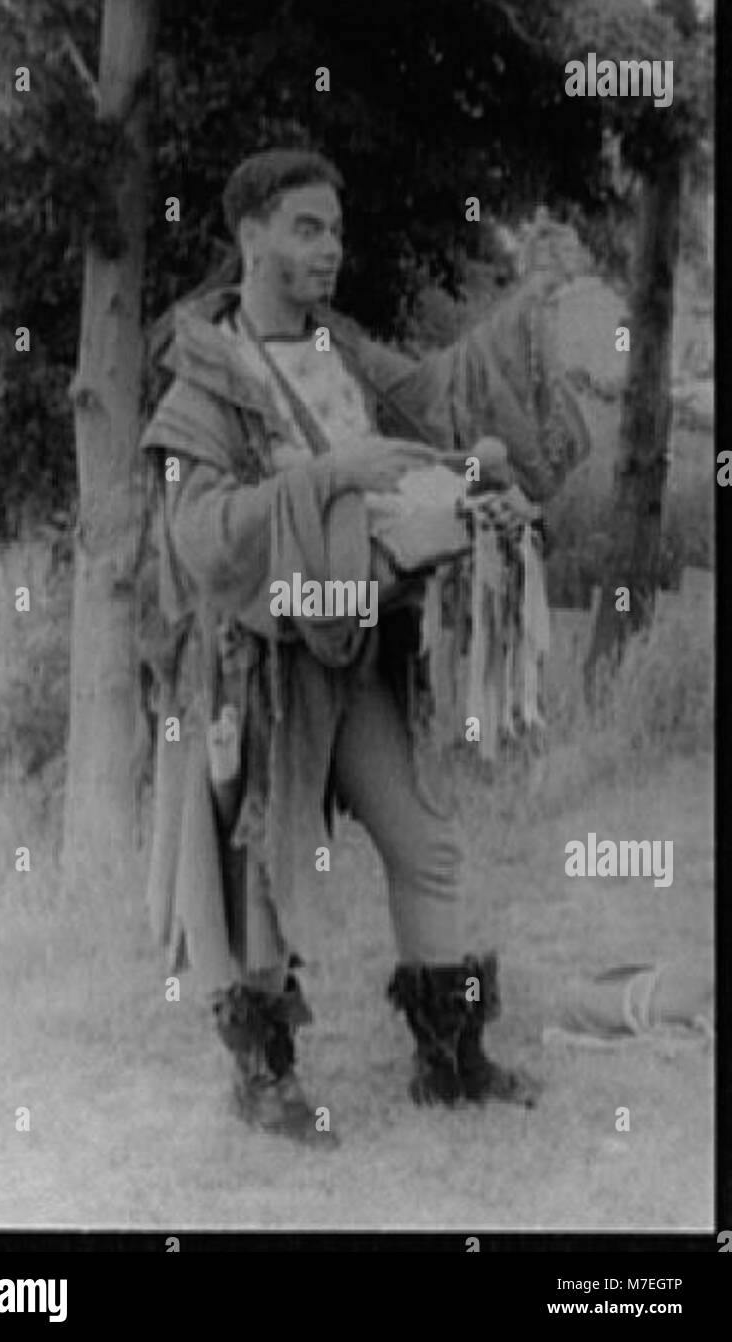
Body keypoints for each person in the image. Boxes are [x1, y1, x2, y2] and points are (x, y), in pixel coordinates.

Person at [140, 148, 590, 1145]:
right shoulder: (199, 388)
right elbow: (198, 536)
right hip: (259, 665)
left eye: (335, 231)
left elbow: (439, 396)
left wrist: (528, 307)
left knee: (427, 842)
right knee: (257, 864)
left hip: (351, 645)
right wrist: (334, 476)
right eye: (306, 227)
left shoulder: (337, 350)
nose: (329, 249)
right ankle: (265, 1079)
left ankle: (452, 1059)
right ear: (249, 236)